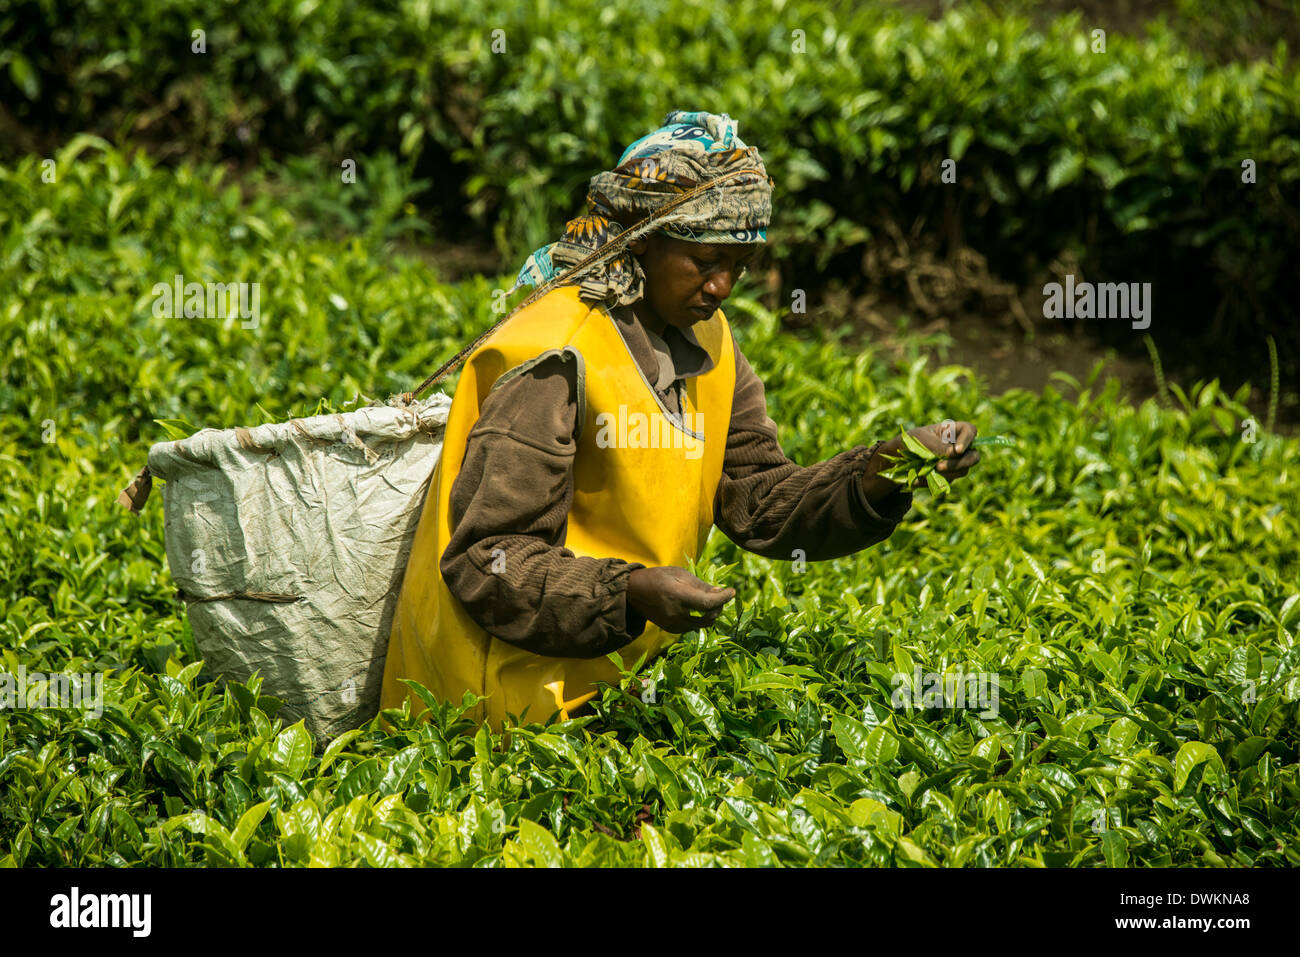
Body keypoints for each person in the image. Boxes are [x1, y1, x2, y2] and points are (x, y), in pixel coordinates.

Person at [380, 110, 980, 730]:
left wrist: (889, 468)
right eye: (705, 260)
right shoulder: (556, 355)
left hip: (618, 689)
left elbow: (762, 501)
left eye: (739, 264)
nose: (723, 286)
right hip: (493, 716)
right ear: (642, 235)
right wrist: (630, 593)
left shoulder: (710, 342)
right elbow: (488, 559)